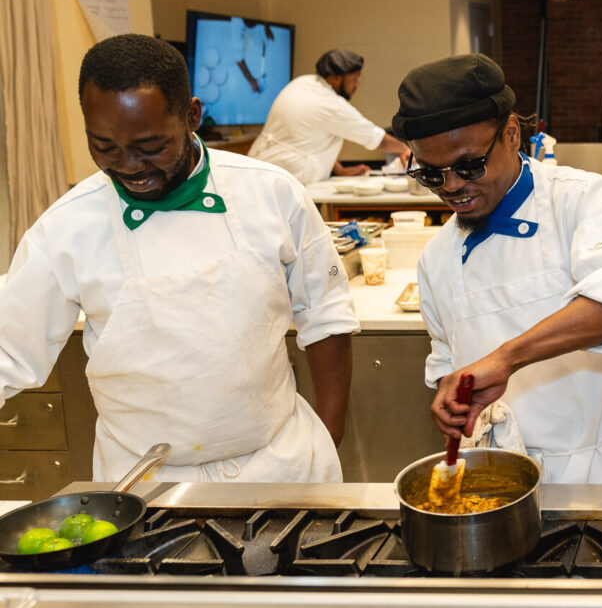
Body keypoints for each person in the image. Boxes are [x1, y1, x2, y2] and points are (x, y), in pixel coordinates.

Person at [0, 34, 356, 482]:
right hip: (143, 481)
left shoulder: (272, 192)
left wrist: (328, 434)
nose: (129, 166)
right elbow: (8, 351)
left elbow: (325, 318)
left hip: (279, 463)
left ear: (192, 116)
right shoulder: (66, 229)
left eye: (151, 147)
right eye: (104, 147)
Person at [394, 54, 602, 484]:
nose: (451, 187)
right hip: (497, 483)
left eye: (469, 165)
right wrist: (451, 400)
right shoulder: (437, 257)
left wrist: (506, 359)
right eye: (431, 174)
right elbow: (447, 364)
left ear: (510, 134)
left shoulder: (585, 201)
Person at [249, 49, 411, 184]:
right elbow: (377, 139)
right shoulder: (328, 103)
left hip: (260, 170)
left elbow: (309, 138)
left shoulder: (302, 83)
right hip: (284, 181)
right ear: (335, 78)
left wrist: (339, 170)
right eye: (353, 79)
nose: (356, 85)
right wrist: (404, 149)